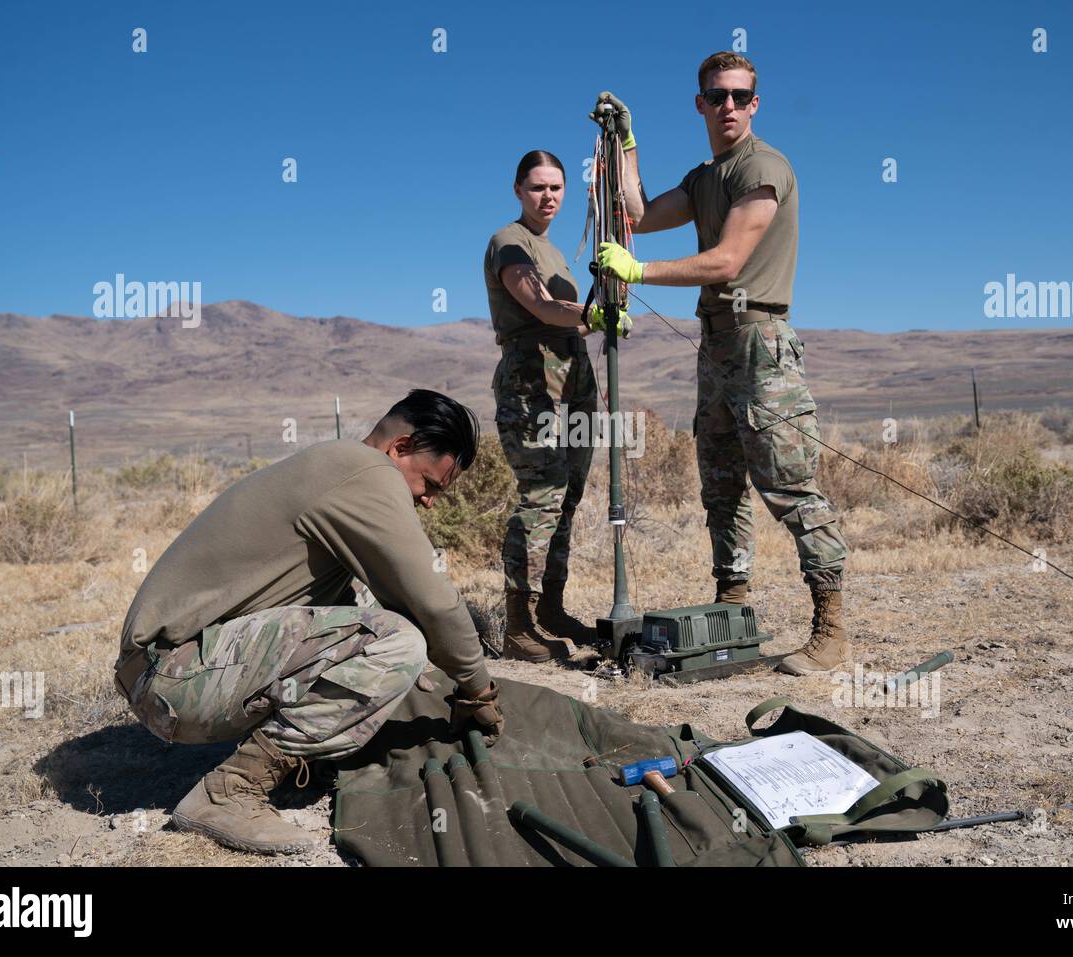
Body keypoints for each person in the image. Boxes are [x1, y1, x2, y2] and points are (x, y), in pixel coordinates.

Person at [113, 389, 503, 854]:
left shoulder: (337, 468)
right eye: (430, 484)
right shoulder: (367, 473)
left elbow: (369, 606)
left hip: (169, 671)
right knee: (398, 644)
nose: (430, 502)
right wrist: (478, 689)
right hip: (173, 678)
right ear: (400, 448)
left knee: (383, 630)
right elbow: (434, 603)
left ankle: (289, 760)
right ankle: (228, 793)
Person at [591, 52, 850, 674]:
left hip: (761, 346)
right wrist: (626, 142)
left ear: (754, 103)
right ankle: (731, 606)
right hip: (716, 348)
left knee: (789, 489)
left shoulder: (763, 168)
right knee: (722, 488)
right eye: (717, 95)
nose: (729, 105)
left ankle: (832, 629)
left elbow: (728, 261)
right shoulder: (708, 176)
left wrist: (639, 271)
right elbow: (639, 214)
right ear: (701, 104)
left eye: (740, 95)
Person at [484, 150, 627, 662]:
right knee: (541, 495)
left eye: (557, 188)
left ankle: (550, 608)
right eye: (538, 187)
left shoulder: (556, 251)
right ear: (519, 190)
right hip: (532, 382)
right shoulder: (510, 242)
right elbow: (542, 305)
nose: (548, 197)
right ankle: (518, 625)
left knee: (567, 498)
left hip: (575, 381)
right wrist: (595, 316)